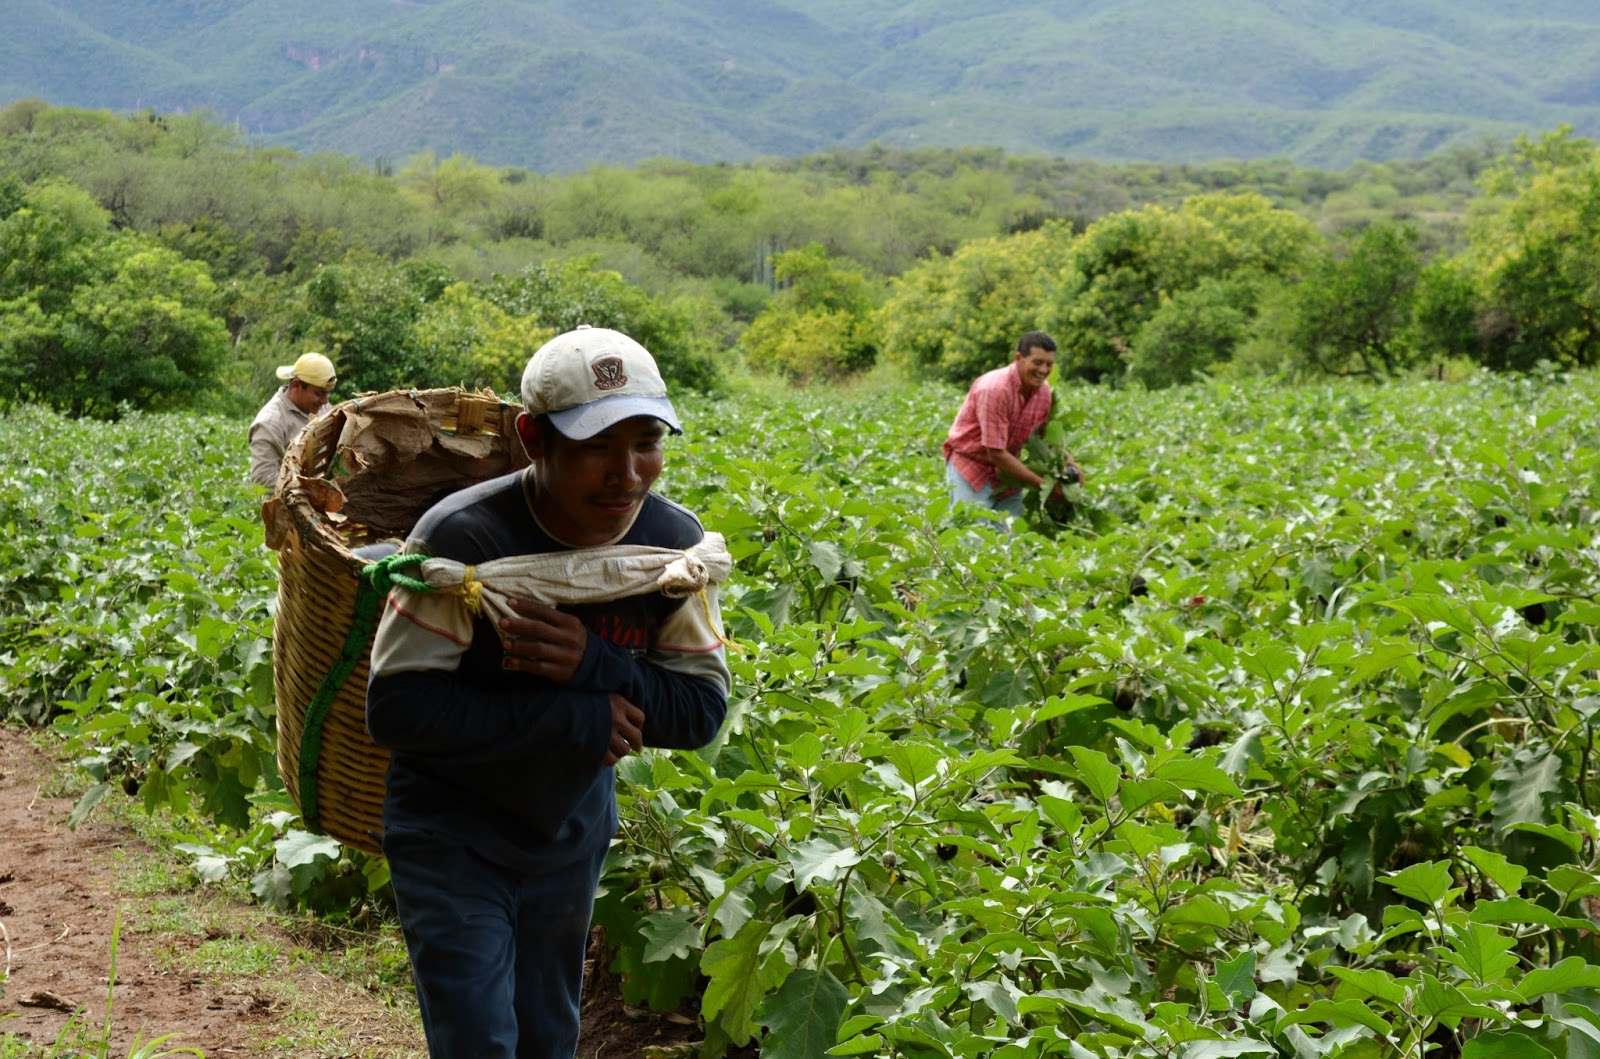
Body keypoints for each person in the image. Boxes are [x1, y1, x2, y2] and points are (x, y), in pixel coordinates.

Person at [364, 325, 731, 1058]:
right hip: (451, 829)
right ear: (535, 438)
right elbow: (397, 708)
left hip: (568, 832)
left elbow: (700, 708)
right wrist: (571, 717)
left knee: (546, 1038)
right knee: (478, 1039)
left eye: (646, 442)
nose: (626, 473)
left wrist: (594, 662)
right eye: (596, 446)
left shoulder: (669, 548)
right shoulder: (464, 539)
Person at [942, 330, 1081, 521]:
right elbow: (996, 453)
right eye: (1037, 362)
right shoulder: (994, 390)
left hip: (1008, 476)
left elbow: (1044, 438)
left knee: (1012, 541)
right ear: (1018, 358)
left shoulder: (1043, 393)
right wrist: (1044, 486)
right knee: (971, 538)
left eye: (1049, 364)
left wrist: (1070, 464)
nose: (1043, 370)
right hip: (972, 468)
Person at [247, 352, 337, 487]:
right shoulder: (270, 423)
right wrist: (310, 487)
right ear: (296, 385)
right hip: (289, 504)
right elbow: (262, 478)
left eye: (328, 393)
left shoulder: (321, 407)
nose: (325, 401)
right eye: (319, 393)